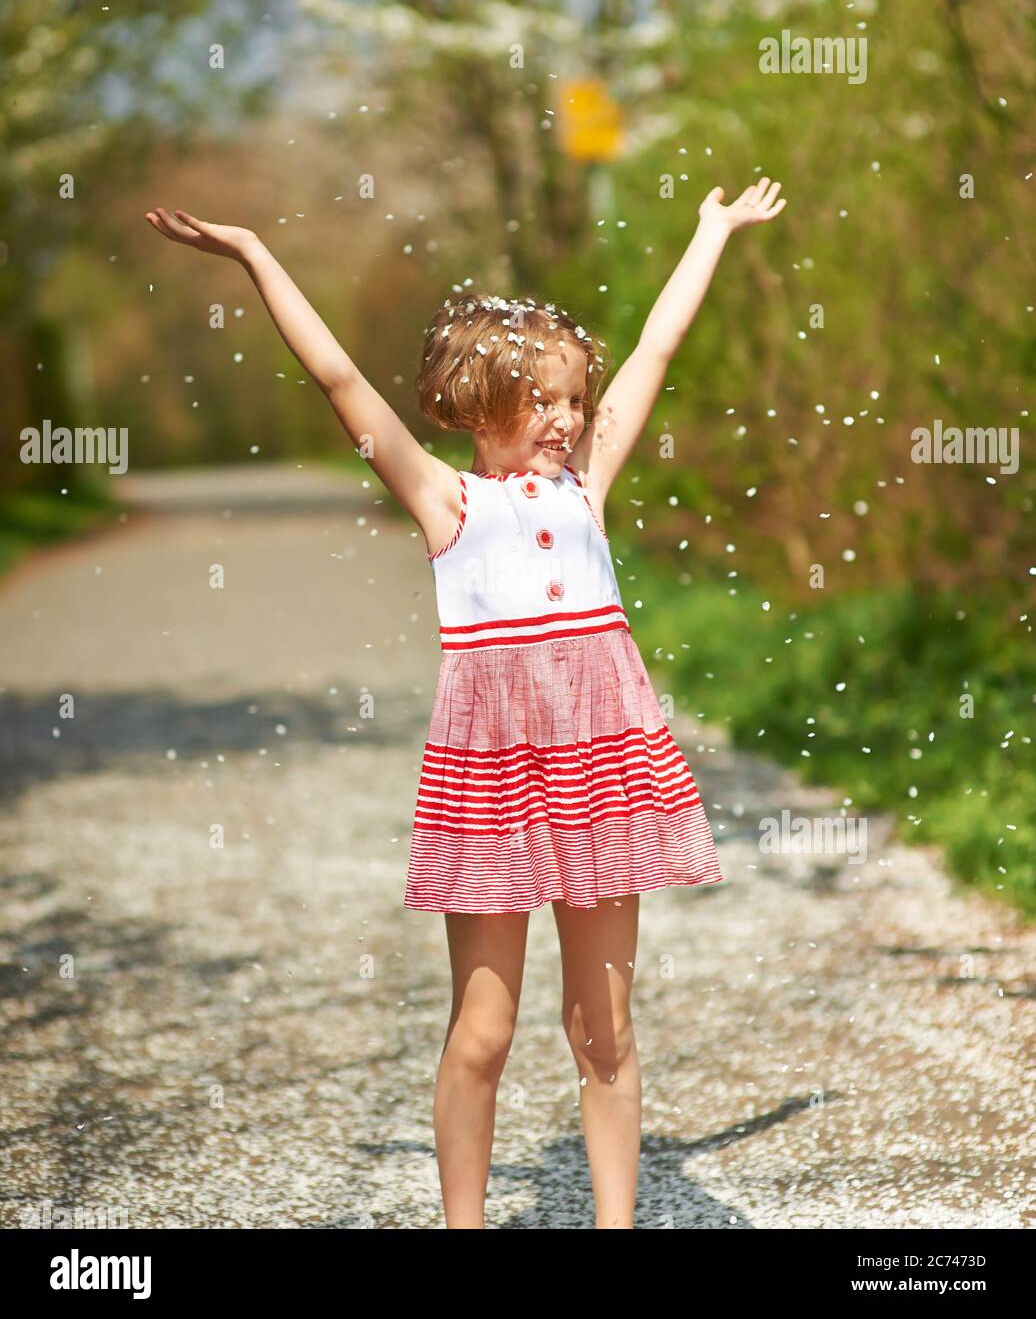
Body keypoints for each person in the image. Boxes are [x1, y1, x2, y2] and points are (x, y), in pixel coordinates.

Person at [145, 176, 786, 1228]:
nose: (570, 418)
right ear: (482, 404)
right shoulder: (448, 503)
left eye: (578, 399)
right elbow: (338, 375)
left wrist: (711, 233)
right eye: (547, 401)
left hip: (597, 767)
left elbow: (659, 353)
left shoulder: (586, 485)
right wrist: (258, 253)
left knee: (604, 1030)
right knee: (482, 1029)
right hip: (493, 782)